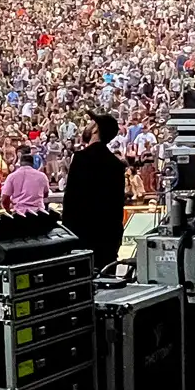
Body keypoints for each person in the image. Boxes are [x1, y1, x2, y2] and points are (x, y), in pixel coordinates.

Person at [62, 112, 127, 271]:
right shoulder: (116, 164)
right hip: (108, 238)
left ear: (96, 130)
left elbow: (71, 201)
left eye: (91, 123)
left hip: (82, 237)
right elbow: (117, 205)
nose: (88, 125)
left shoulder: (81, 158)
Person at [0, 147, 50, 216]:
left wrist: (8, 210)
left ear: (20, 163)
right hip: (38, 213)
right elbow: (46, 194)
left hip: (19, 214)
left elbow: (5, 198)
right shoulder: (42, 176)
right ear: (33, 164)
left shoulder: (12, 176)